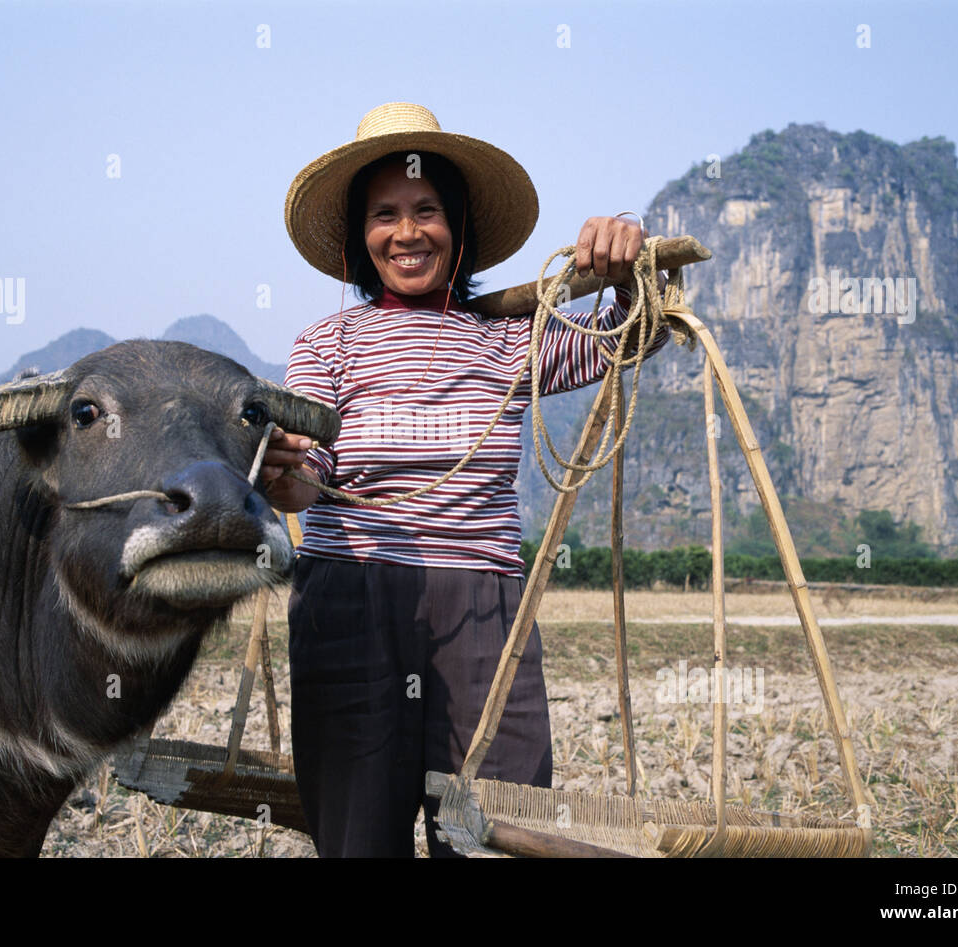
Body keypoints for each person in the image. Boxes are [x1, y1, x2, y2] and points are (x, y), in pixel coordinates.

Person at [261, 102, 669, 857]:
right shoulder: (327, 344)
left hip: (483, 610)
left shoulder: (511, 339)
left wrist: (624, 257)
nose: (406, 231)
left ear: (459, 229)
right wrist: (283, 475)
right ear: (360, 237)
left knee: (496, 834)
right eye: (384, 214)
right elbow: (306, 476)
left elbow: (633, 335)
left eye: (427, 210)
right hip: (351, 600)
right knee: (358, 838)